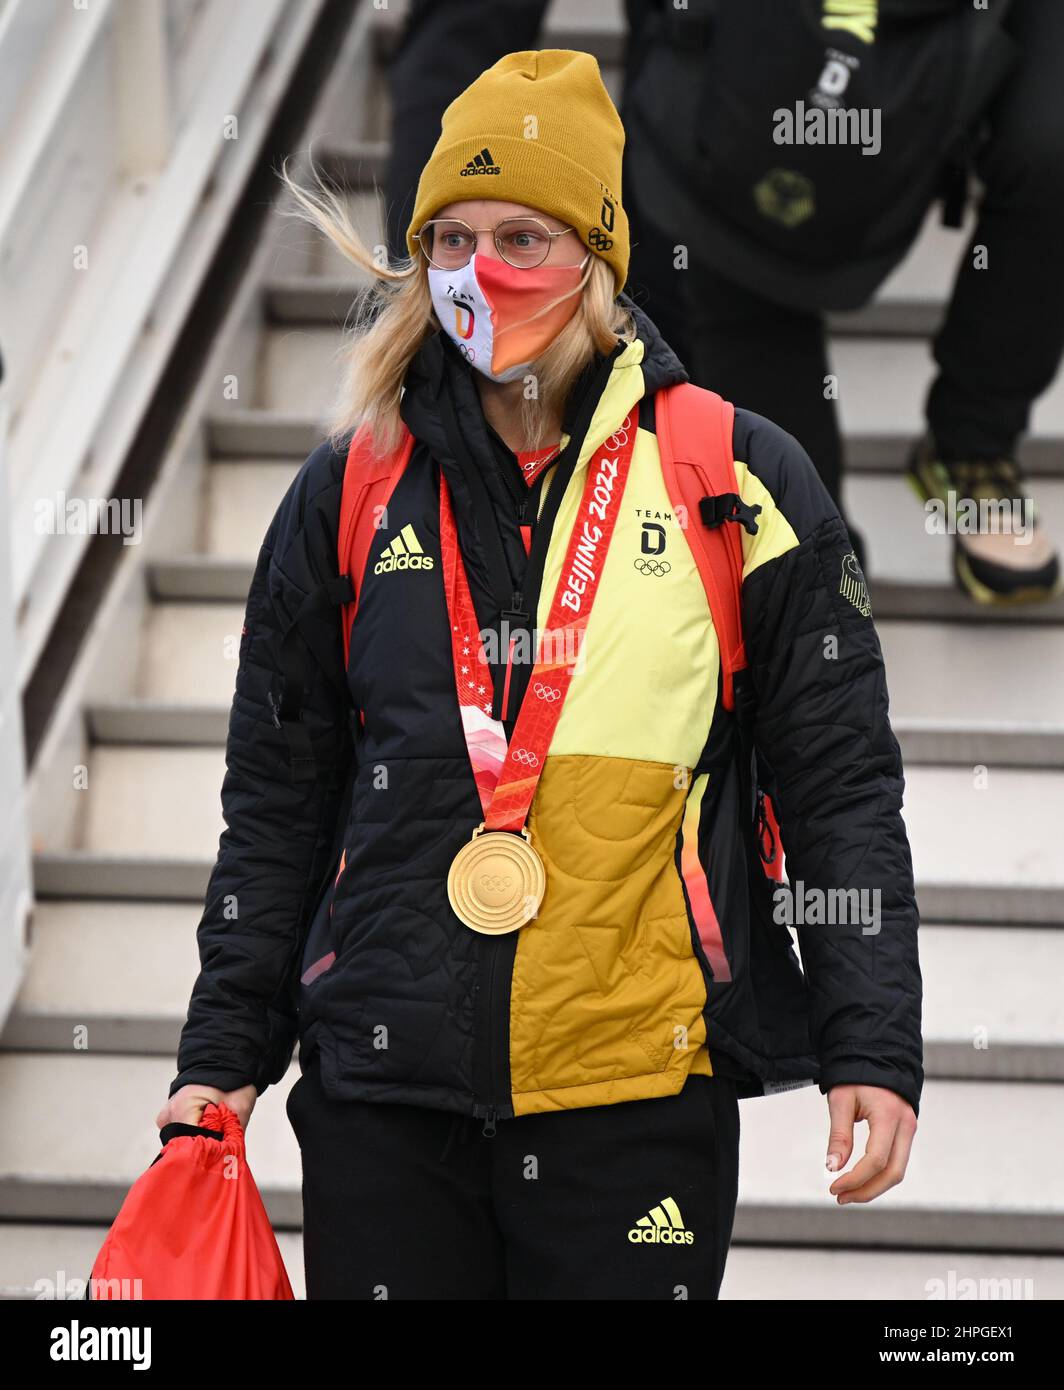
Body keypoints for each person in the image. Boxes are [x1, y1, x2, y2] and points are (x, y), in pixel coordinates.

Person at [159, 49, 922, 1301]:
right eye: (448, 238)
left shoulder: (736, 474)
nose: (480, 271)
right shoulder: (348, 487)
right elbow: (278, 800)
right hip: (382, 1100)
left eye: (524, 233)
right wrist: (223, 1050)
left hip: (634, 1099)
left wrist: (872, 1041)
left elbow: (838, 784)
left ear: (600, 257)